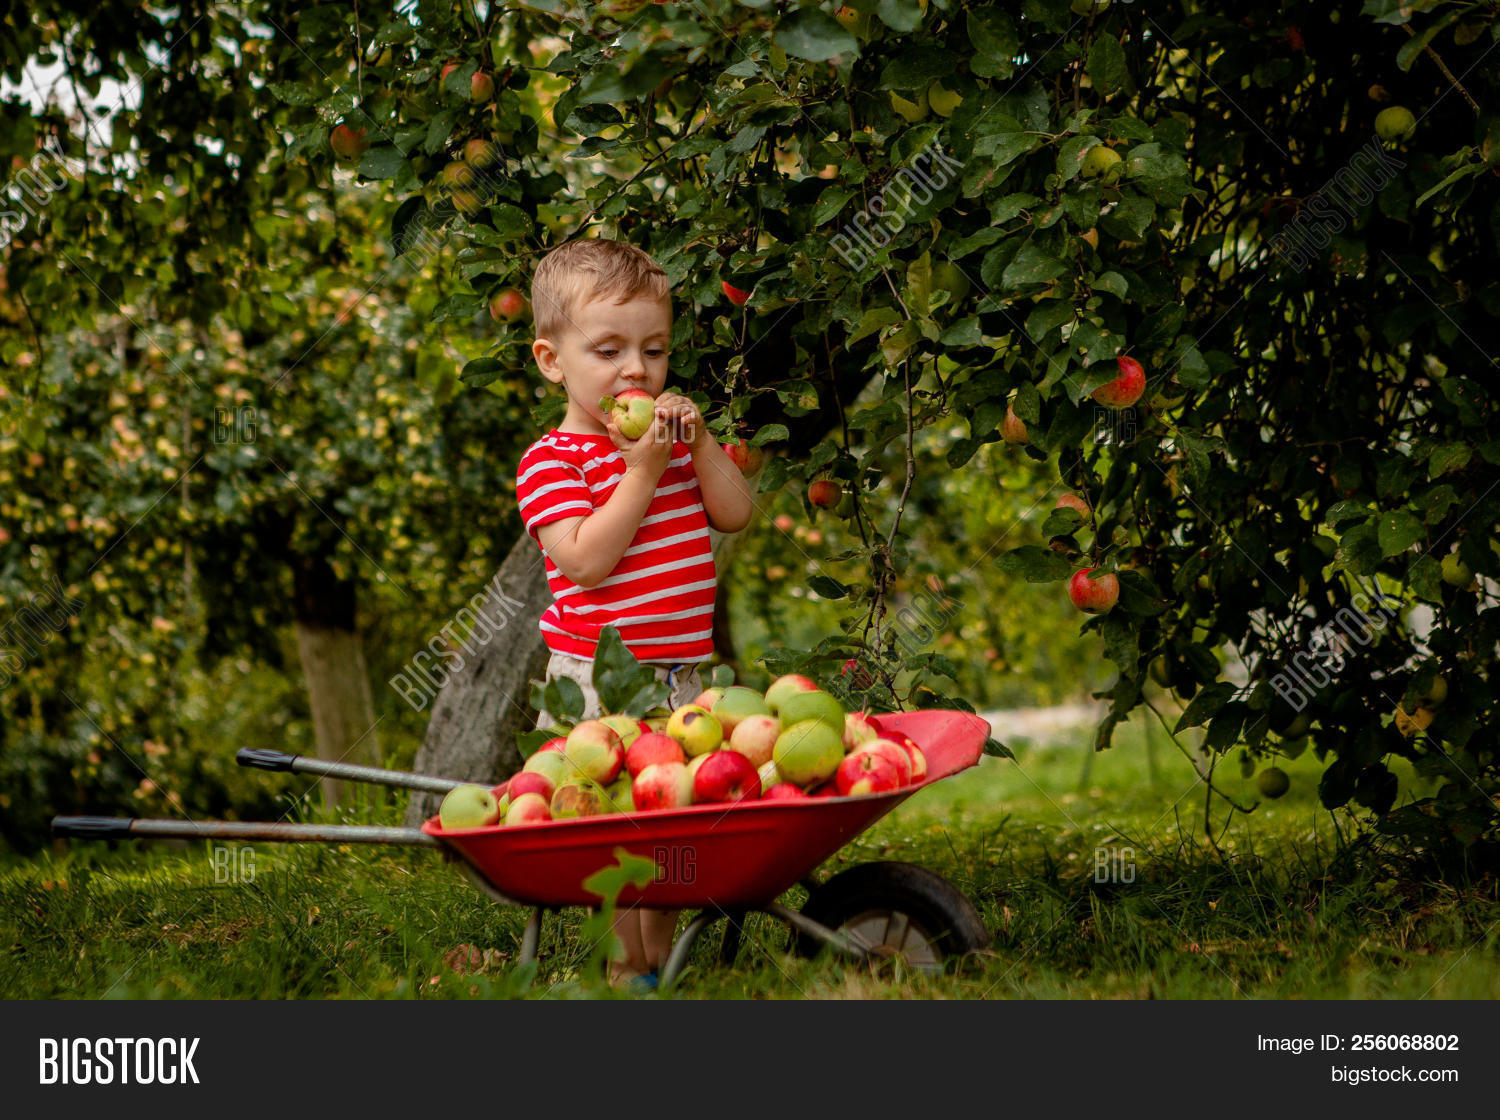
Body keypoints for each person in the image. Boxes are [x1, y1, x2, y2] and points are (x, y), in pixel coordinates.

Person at [514, 237, 754, 987]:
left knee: (674, 823)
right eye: (610, 349)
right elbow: (585, 561)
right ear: (553, 360)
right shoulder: (553, 462)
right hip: (600, 685)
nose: (637, 371)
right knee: (616, 828)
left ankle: (659, 960)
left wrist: (702, 441)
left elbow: (736, 513)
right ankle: (624, 969)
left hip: (684, 682)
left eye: (654, 350)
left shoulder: (671, 448)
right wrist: (641, 472)